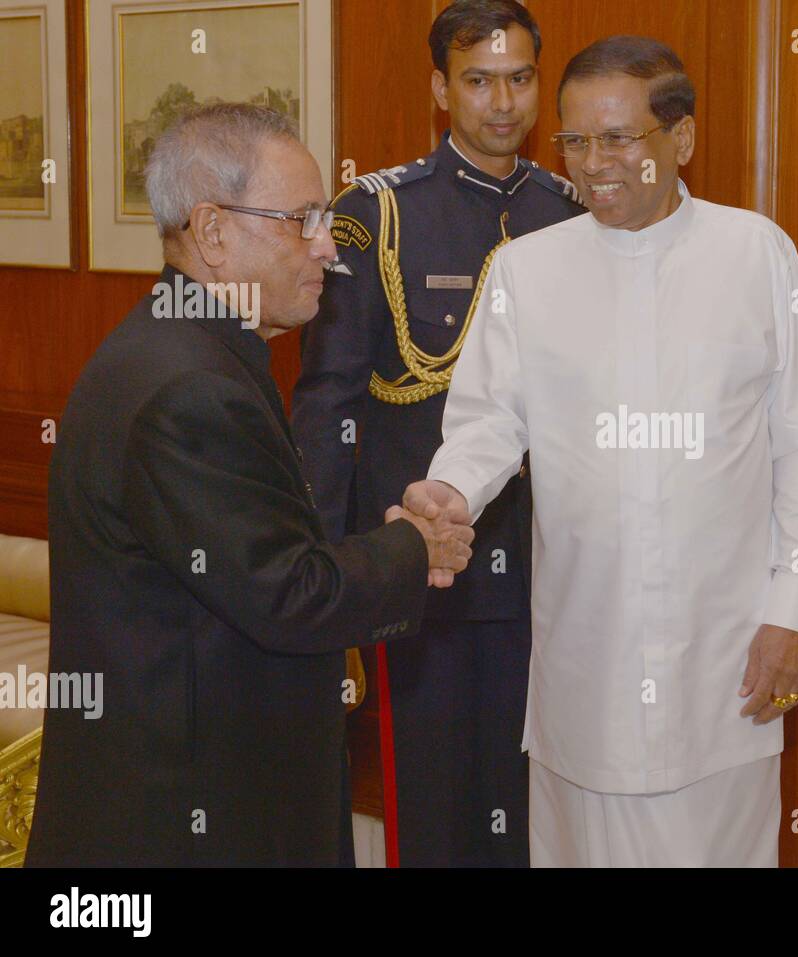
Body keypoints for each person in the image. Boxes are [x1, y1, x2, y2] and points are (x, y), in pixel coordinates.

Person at [403, 36, 798, 867]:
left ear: (680, 140)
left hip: (727, 654)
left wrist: (795, 607)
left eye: (619, 138)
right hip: (588, 649)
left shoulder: (757, 254)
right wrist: (451, 493)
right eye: (574, 139)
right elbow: (487, 423)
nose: (593, 162)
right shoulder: (526, 270)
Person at [25, 103, 473, 867]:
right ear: (213, 233)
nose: (328, 247)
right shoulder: (189, 387)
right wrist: (412, 545)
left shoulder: (186, 346)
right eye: (301, 219)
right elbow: (286, 593)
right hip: (188, 817)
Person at [291, 0, 583, 867]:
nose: (503, 102)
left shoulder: (570, 212)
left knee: (540, 801)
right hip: (425, 574)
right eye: (479, 80)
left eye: (521, 78)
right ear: (439, 88)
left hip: (549, 572)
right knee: (435, 806)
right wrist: (330, 574)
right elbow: (330, 404)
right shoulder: (375, 213)